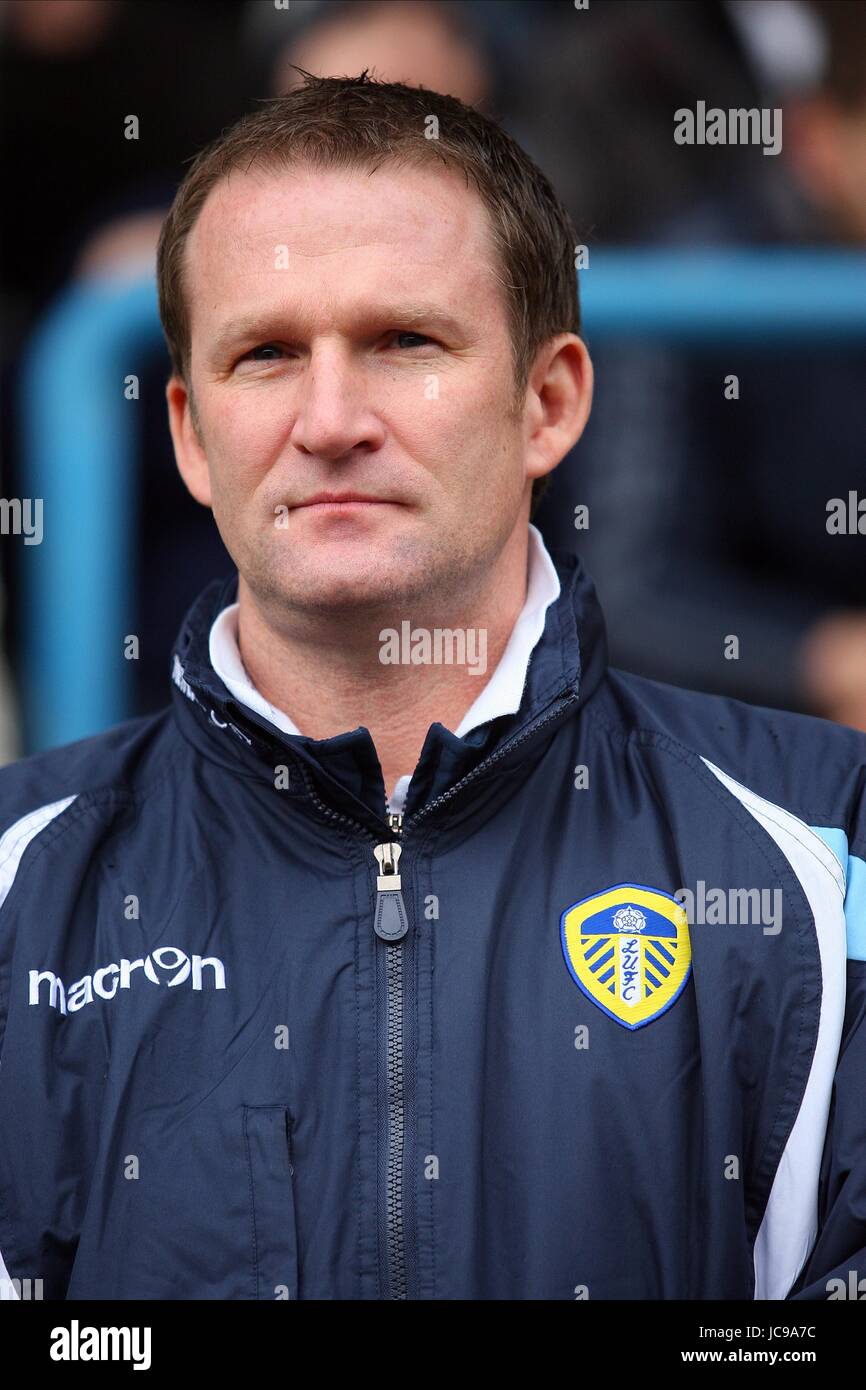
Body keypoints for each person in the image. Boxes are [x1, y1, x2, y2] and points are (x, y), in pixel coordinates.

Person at [0, 71, 864, 1302]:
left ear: (548, 401)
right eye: (267, 353)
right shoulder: (16, 881)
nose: (331, 418)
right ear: (191, 435)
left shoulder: (826, 854)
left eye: (404, 341)